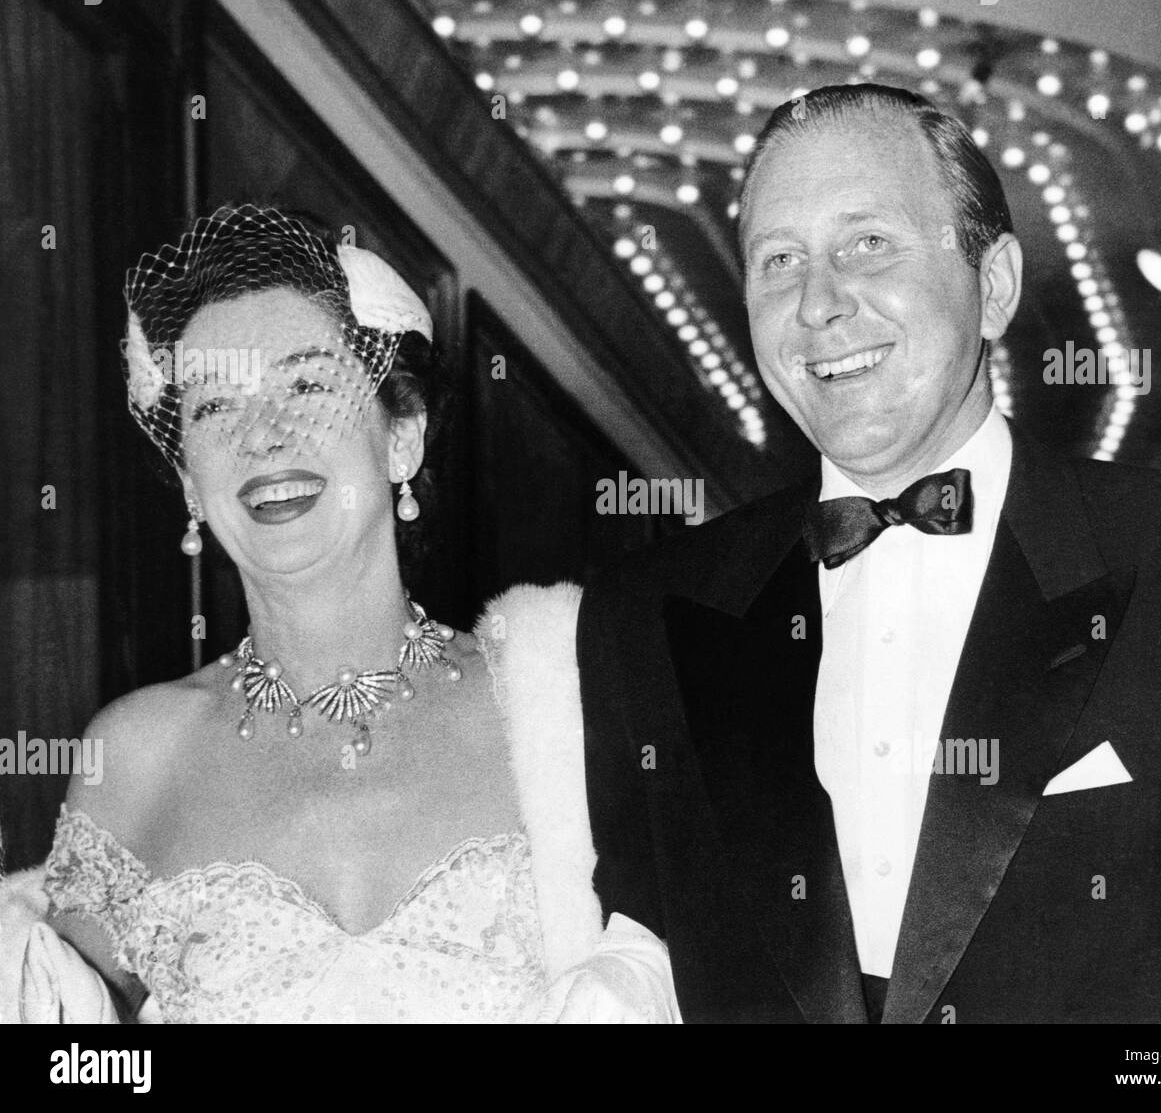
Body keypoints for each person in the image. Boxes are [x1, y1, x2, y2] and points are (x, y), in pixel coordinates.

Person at [578, 84, 1161, 1023]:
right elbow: (645, 934)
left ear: (993, 285)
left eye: (867, 243)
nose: (819, 304)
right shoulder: (645, 613)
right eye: (778, 260)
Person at [0, 205, 678, 1024]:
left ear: (402, 439)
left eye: (308, 385)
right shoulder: (137, 752)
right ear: (188, 483)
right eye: (215, 407)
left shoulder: (556, 706)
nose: (265, 436)